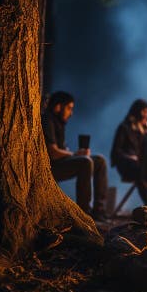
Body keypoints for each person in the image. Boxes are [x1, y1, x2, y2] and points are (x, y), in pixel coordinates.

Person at [42, 91, 108, 220]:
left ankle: (99, 211)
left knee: (99, 160)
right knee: (85, 162)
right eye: (69, 108)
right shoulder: (47, 120)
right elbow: (53, 153)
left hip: (60, 162)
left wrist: (76, 154)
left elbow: (60, 149)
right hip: (51, 167)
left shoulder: (58, 122)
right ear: (58, 106)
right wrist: (75, 154)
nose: (71, 113)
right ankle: (84, 213)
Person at [110, 99, 147, 206]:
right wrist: (130, 157)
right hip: (126, 166)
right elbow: (116, 152)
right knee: (140, 172)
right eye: (143, 111)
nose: (145, 115)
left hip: (143, 165)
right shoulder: (124, 127)